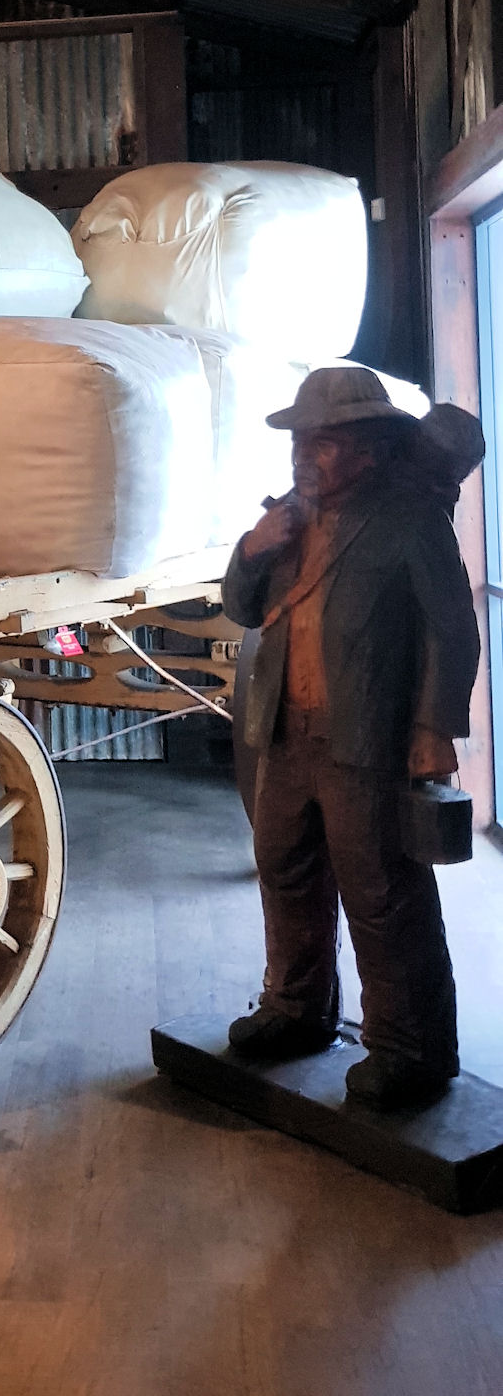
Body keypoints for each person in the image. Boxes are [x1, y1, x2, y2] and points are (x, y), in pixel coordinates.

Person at [222, 365, 481, 1111]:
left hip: (366, 742)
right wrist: (253, 547)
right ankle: (294, 1008)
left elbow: (451, 631)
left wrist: (434, 731)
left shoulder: (405, 518)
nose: (305, 454)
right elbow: (240, 608)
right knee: (284, 868)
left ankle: (408, 1048)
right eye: (301, 439)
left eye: (325, 441)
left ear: (369, 448)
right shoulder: (285, 519)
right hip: (284, 733)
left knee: (381, 892)